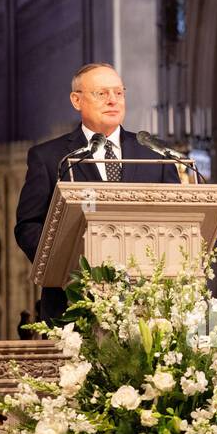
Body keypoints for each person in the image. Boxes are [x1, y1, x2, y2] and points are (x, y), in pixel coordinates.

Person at [13, 63, 181, 323]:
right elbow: (28, 225)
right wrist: (63, 263)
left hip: (147, 307)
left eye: (119, 93)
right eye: (101, 94)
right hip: (72, 305)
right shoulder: (50, 157)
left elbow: (175, 219)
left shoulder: (153, 154)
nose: (113, 100)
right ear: (76, 100)